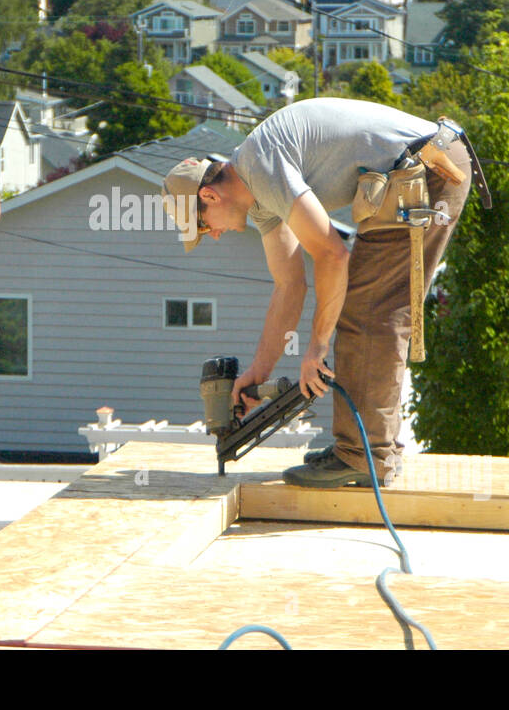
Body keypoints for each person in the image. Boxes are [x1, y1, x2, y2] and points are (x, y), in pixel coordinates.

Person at [162, 96, 484, 488]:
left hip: (429, 167)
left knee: (369, 311)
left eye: (203, 225)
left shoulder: (261, 165)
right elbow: (289, 286)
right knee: (369, 308)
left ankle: (364, 455)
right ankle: (371, 450)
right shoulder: (259, 198)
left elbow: (332, 253)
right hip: (419, 166)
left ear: (209, 196)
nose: (212, 234)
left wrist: (315, 349)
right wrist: (258, 374)